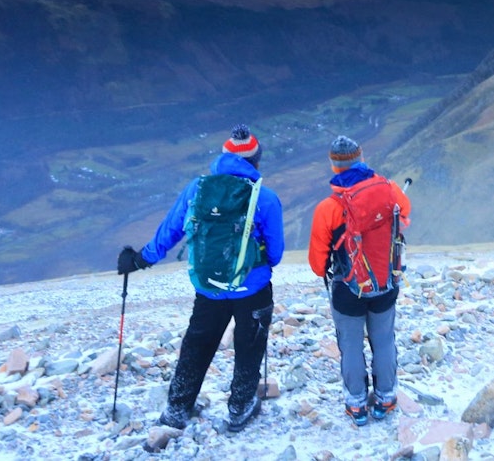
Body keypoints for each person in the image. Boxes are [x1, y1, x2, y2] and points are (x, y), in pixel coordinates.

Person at [117, 124, 283, 433]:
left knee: (198, 344)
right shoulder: (266, 198)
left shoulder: (197, 189)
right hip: (253, 288)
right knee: (249, 347)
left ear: (223, 157)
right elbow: (276, 252)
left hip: (209, 288)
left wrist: (140, 259)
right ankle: (239, 408)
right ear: (256, 160)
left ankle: (177, 409)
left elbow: (170, 231)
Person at [307, 135, 411, 426]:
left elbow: (318, 264)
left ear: (334, 166)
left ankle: (356, 406)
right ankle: (386, 398)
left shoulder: (328, 208)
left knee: (351, 345)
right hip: (385, 282)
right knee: (384, 339)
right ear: (361, 158)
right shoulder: (389, 189)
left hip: (347, 290)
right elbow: (404, 213)